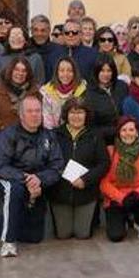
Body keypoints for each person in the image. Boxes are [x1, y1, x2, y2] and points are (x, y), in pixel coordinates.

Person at [0, 94, 64, 258]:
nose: (35, 115)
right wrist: (26, 179)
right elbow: (1, 167)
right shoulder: (8, 135)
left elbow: (57, 166)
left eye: (37, 111)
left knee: (34, 236)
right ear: (21, 115)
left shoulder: (49, 136)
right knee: (14, 190)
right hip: (9, 180)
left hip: (37, 184)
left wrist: (39, 180)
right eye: (30, 111)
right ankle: (8, 242)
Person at [48, 99, 109, 240]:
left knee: (82, 234)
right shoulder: (55, 135)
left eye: (80, 112)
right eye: (72, 112)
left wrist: (85, 180)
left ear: (86, 115)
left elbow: (104, 163)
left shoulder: (95, 135)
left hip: (86, 192)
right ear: (66, 114)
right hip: (60, 193)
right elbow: (48, 161)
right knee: (63, 235)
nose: (76, 116)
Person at [100, 116, 139, 241]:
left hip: (137, 197)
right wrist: (121, 198)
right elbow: (104, 183)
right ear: (118, 132)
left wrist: (136, 193)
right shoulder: (110, 152)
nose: (127, 133)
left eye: (131, 130)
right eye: (124, 130)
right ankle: (124, 219)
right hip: (116, 199)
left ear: (137, 132)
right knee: (115, 236)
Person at [0, 57, 39, 141]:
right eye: (16, 70)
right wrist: (0, 126)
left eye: (24, 71)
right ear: (10, 71)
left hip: (29, 138)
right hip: (2, 137)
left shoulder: (34, 91)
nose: (20, 73)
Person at [85, 56, 127, 143]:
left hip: (127, 137)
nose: (106, 74)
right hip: (105, 142)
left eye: (109, 71)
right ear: (96, 72)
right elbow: (92, 127)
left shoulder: (122, 86)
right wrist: (116, 131)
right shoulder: (90, 94)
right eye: (102, 71)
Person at [40, 58, 87, 131]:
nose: (66, 74)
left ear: (75, 72)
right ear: (57, 72)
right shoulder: (47, 92)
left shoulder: (83, 90)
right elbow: (47, 123)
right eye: (62, 71)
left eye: (70, 71)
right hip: (53, 134)